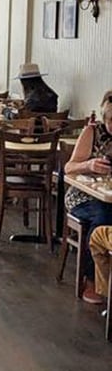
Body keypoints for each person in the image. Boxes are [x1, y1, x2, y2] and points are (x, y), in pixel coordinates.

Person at [63, 93, 112, 303]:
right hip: (82, 196)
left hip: (108, 196)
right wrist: (89, 165)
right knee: (104, 217)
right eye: (111, 122)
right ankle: (92, 280)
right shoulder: (92, 131)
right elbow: (69, 168)